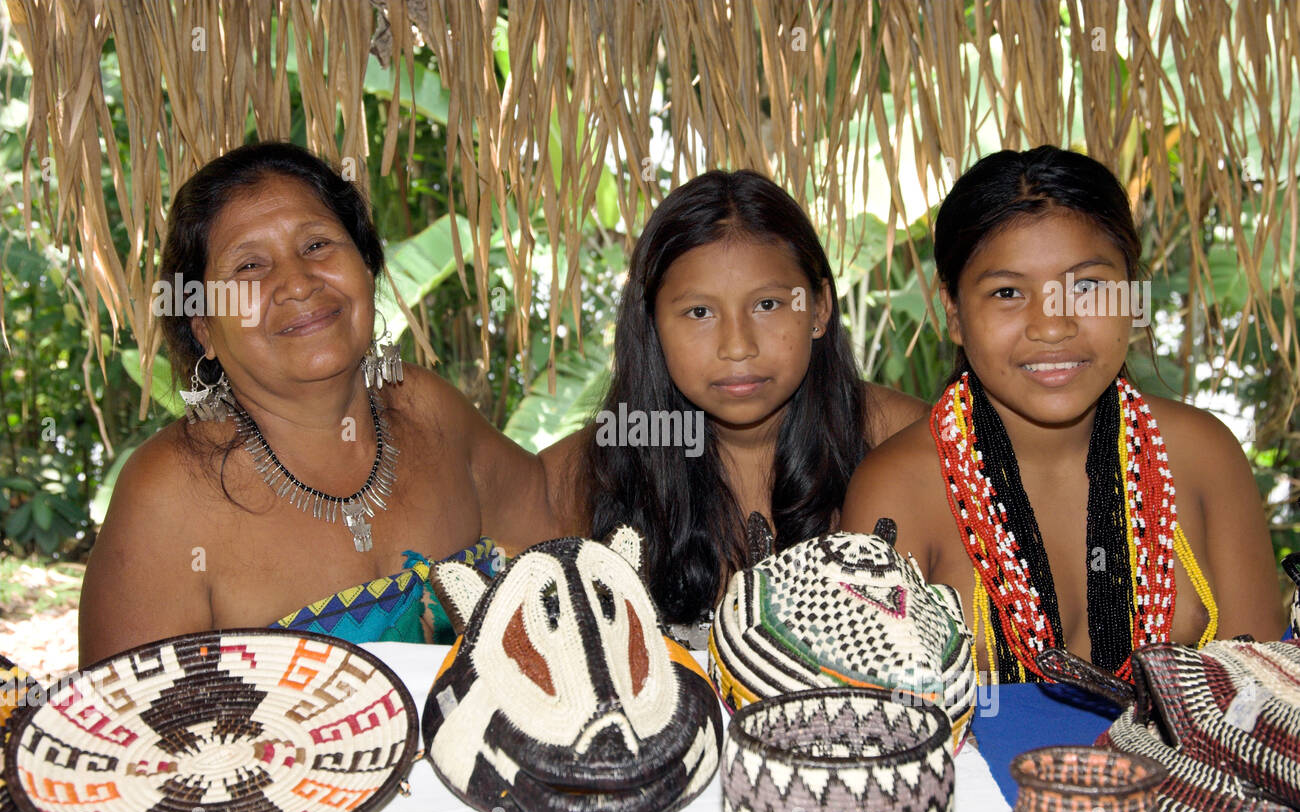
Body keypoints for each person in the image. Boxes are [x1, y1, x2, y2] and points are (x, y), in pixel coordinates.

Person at [79, 142, 556, 665]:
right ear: (204, 329)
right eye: (249, 266)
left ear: (367, 268)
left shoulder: (426, 408)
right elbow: (130, 723)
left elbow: (555, 535)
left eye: (317, 246)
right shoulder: (167, 495)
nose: (298, 284)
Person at [841, 145, 1284, 683]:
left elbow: (1264, 697)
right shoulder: (897, 487)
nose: (1052, 326)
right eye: (1007, 292)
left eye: (1087, 287)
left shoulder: (1203, 454)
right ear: (953, 314)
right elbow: (880, 722)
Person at [542, 170, 926, 646]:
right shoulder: (597, 466)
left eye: (767, 304)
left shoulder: (917, 447)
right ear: (652, 325)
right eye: (699, 312)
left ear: (820, 308)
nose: (738, 346)